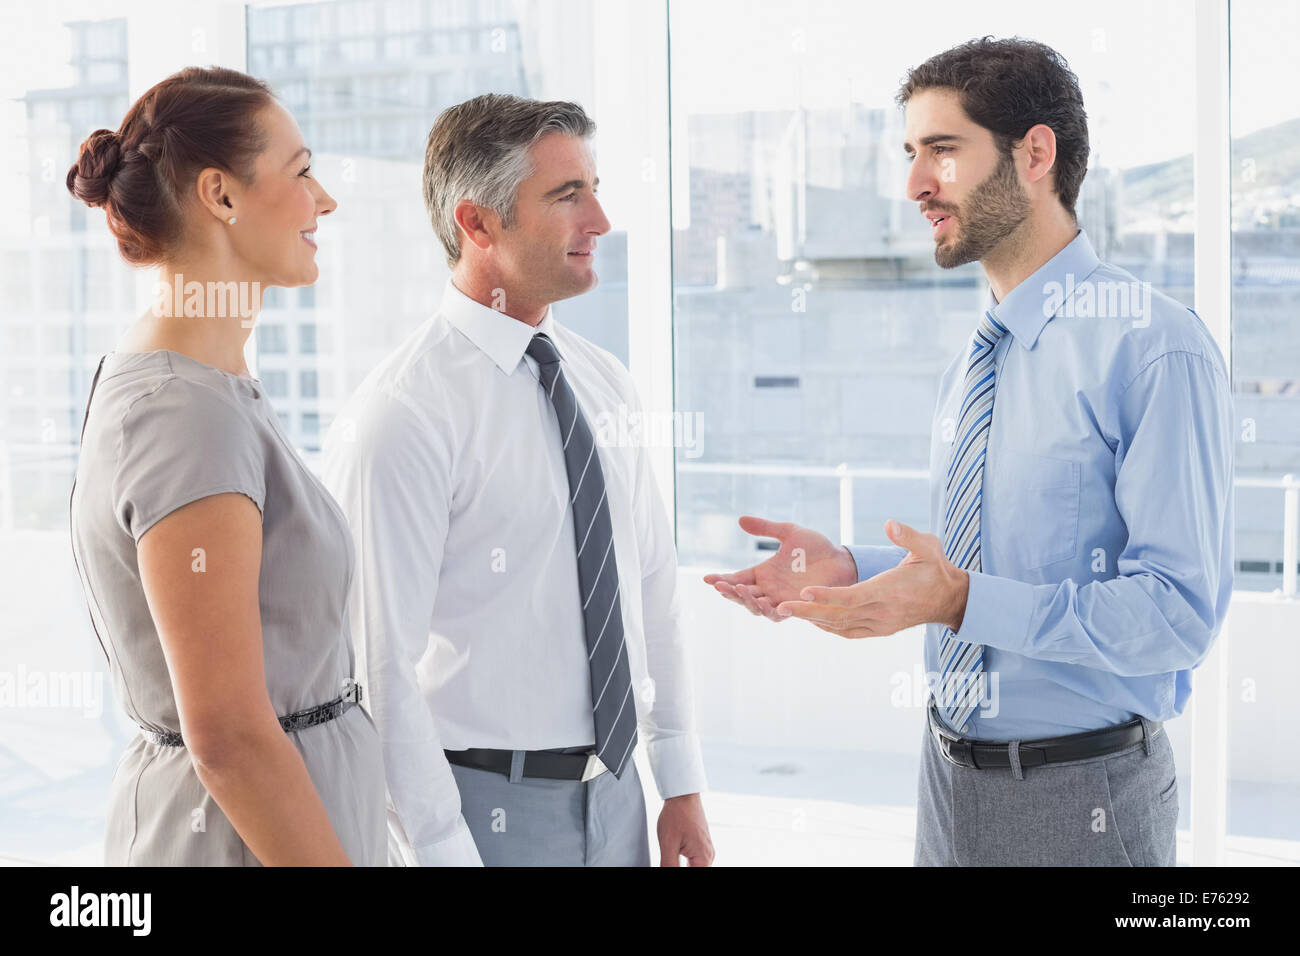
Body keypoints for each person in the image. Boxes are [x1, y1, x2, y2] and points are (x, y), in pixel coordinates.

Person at [704, 37, 1233, 867]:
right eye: (911, 154)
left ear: (1035, 153)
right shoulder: (977, 358)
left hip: (1081, 800)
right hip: (947, 786)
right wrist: (849, 564)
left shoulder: (1153, 347)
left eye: (943, 151)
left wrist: (960, 604)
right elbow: (993, 558)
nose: (915, 185)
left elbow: (1177, 615)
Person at [322, 93, 713, 867]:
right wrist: (439, 847)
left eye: (593, 189)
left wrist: (680, 779)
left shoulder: (607, 385)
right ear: (477, 223)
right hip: (483, 813)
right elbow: (379, 666)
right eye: (567, 196)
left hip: (620, 799)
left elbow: (652, 585)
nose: (599, 220)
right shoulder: (403, 415)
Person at [67, 66, 386, 865]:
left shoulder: (211, 385)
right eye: (303, 171)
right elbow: (232, 740)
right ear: (221, 195)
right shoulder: (184, 413)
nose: (325, 200)